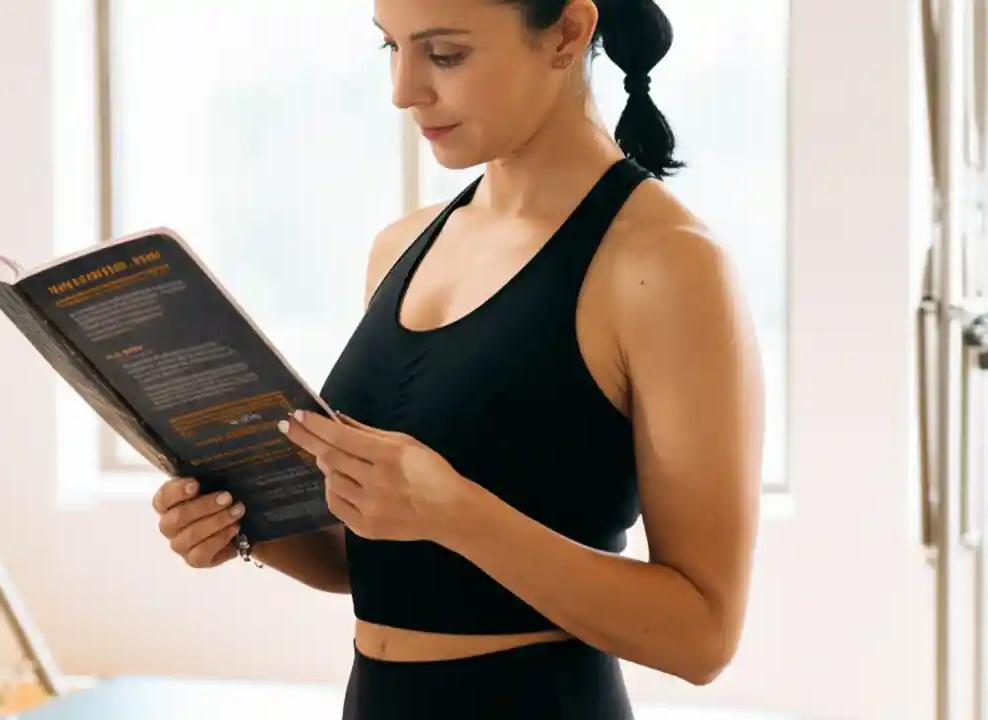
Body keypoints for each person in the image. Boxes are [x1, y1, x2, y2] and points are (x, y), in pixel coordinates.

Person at [150, 0, 765, 717]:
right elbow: (373, 559)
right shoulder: (399, 248)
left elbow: (702, 637)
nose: (403, 90)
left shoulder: (667, 264)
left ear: (568, 33)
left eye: (445, 55)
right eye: (391, 48)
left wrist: (454, 511)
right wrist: (242, 522)